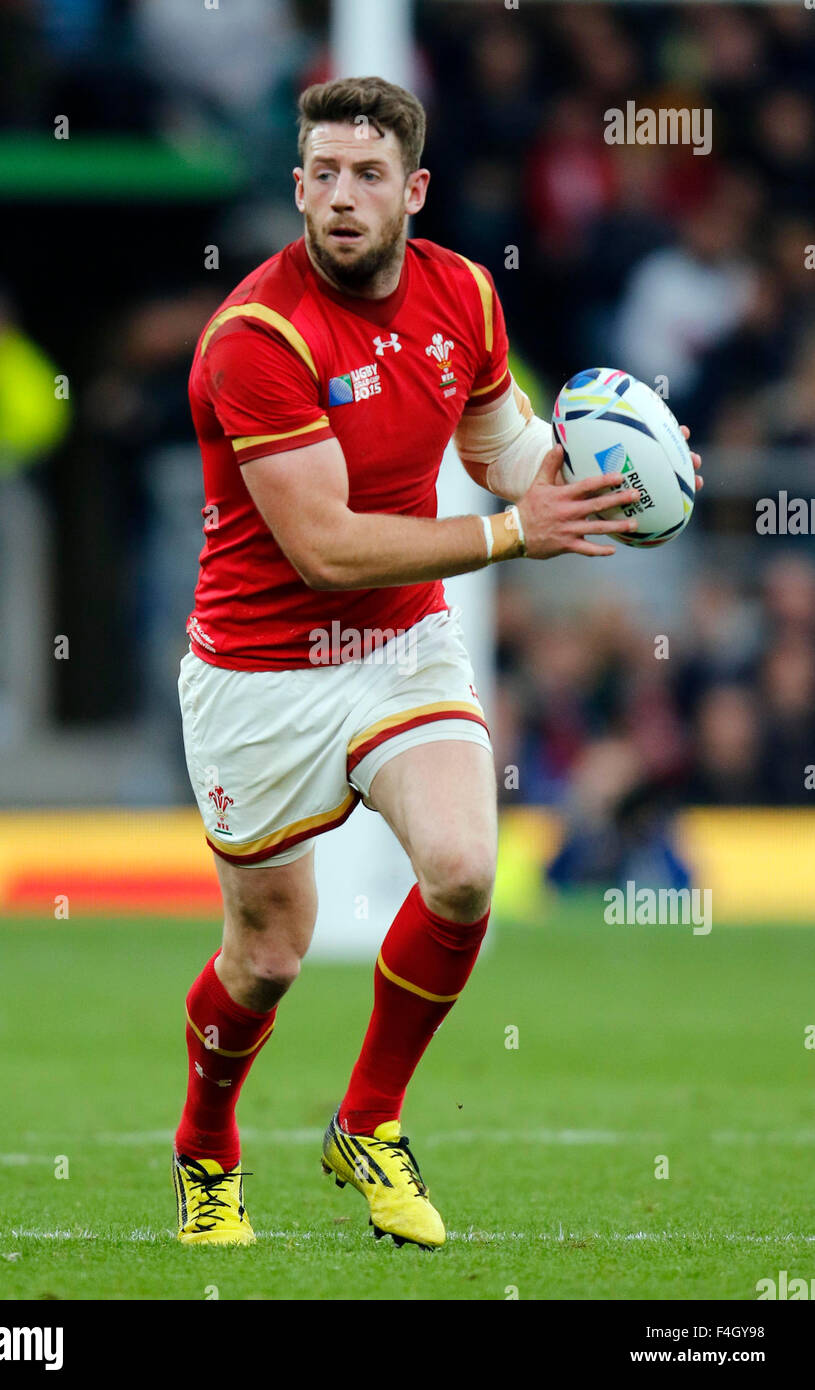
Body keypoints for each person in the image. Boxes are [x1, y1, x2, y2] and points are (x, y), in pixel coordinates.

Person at [172, 76, 702, 1250]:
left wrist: (612, 478)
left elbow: (502, 442)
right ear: (297, 184)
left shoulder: (464, 291)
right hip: (261, 668)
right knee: (268, 954)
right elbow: (325, 546)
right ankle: (207, 1146)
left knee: (464, 868)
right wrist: (516, 535)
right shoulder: (256, 339)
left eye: (368, 174)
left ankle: (370, 1119)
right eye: (322, 172)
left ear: (412, 189)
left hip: (402, 639)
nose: (342, 195)